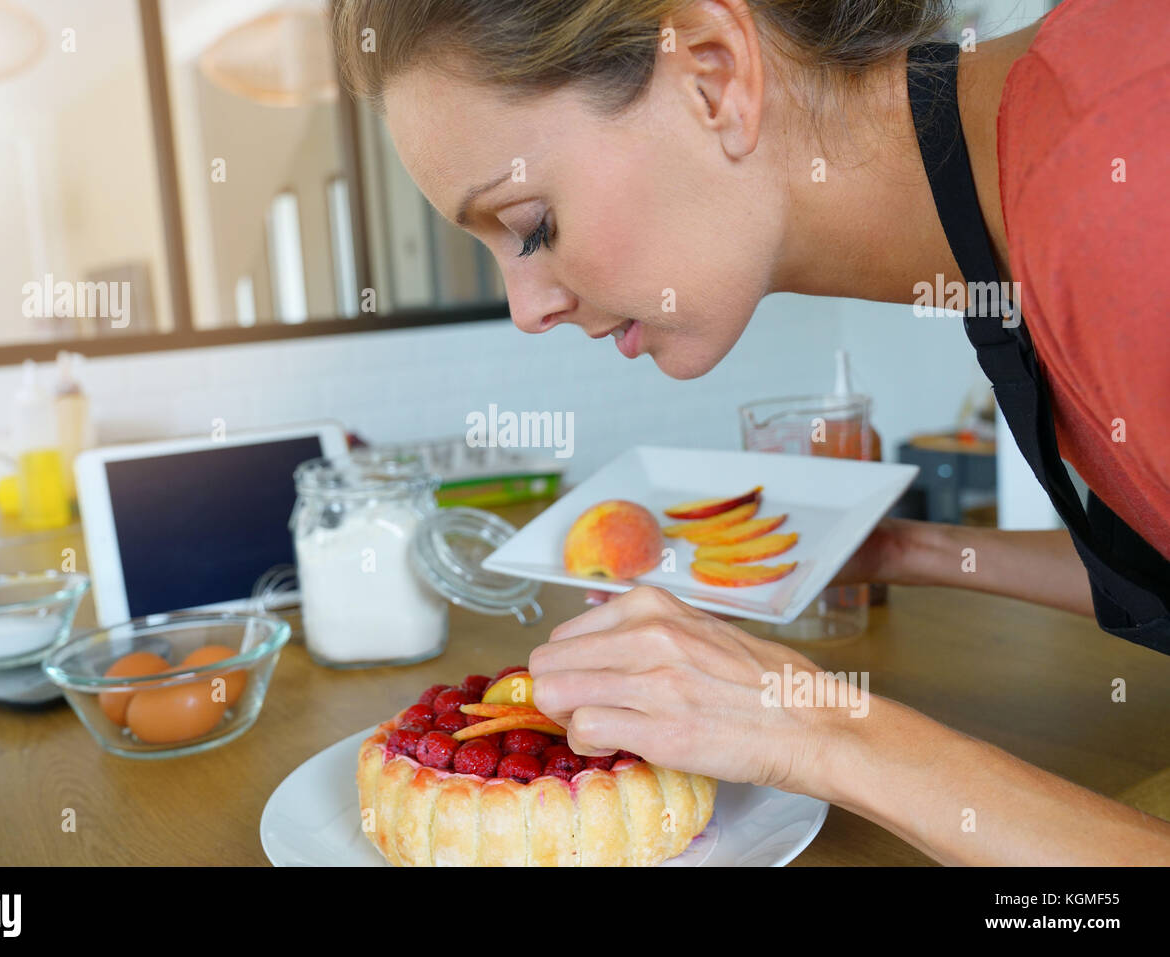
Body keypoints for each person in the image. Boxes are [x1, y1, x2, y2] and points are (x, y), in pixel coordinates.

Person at [328, 0, 1170, 863]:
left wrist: (811, 725)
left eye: (529, 225)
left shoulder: (1124, 189)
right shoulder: (1052, 157)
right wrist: (906, 551)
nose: (528, 309)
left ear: (712, 74)